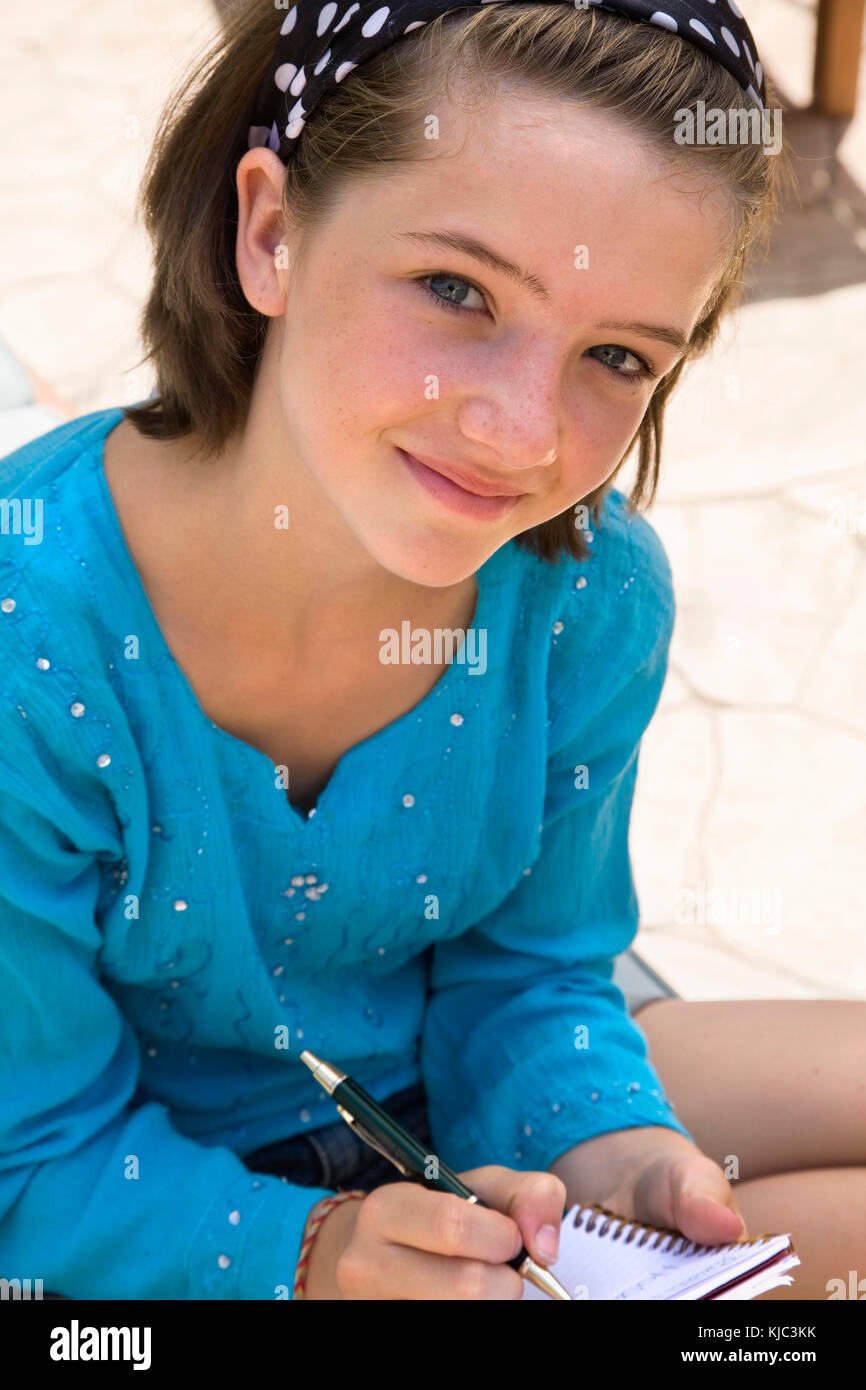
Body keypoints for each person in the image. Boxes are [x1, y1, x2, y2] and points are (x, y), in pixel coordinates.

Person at [0, 1, 859, 1302]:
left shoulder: (586, 595)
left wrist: (611, 1148)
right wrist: (307, 1251)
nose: (520, 432)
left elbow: (529, 968)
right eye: (457, 288)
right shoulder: (33, 631)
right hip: (148, 1215)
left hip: (443, 1113)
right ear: (271, 229)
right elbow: (31, 1153)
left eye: (616, 354)